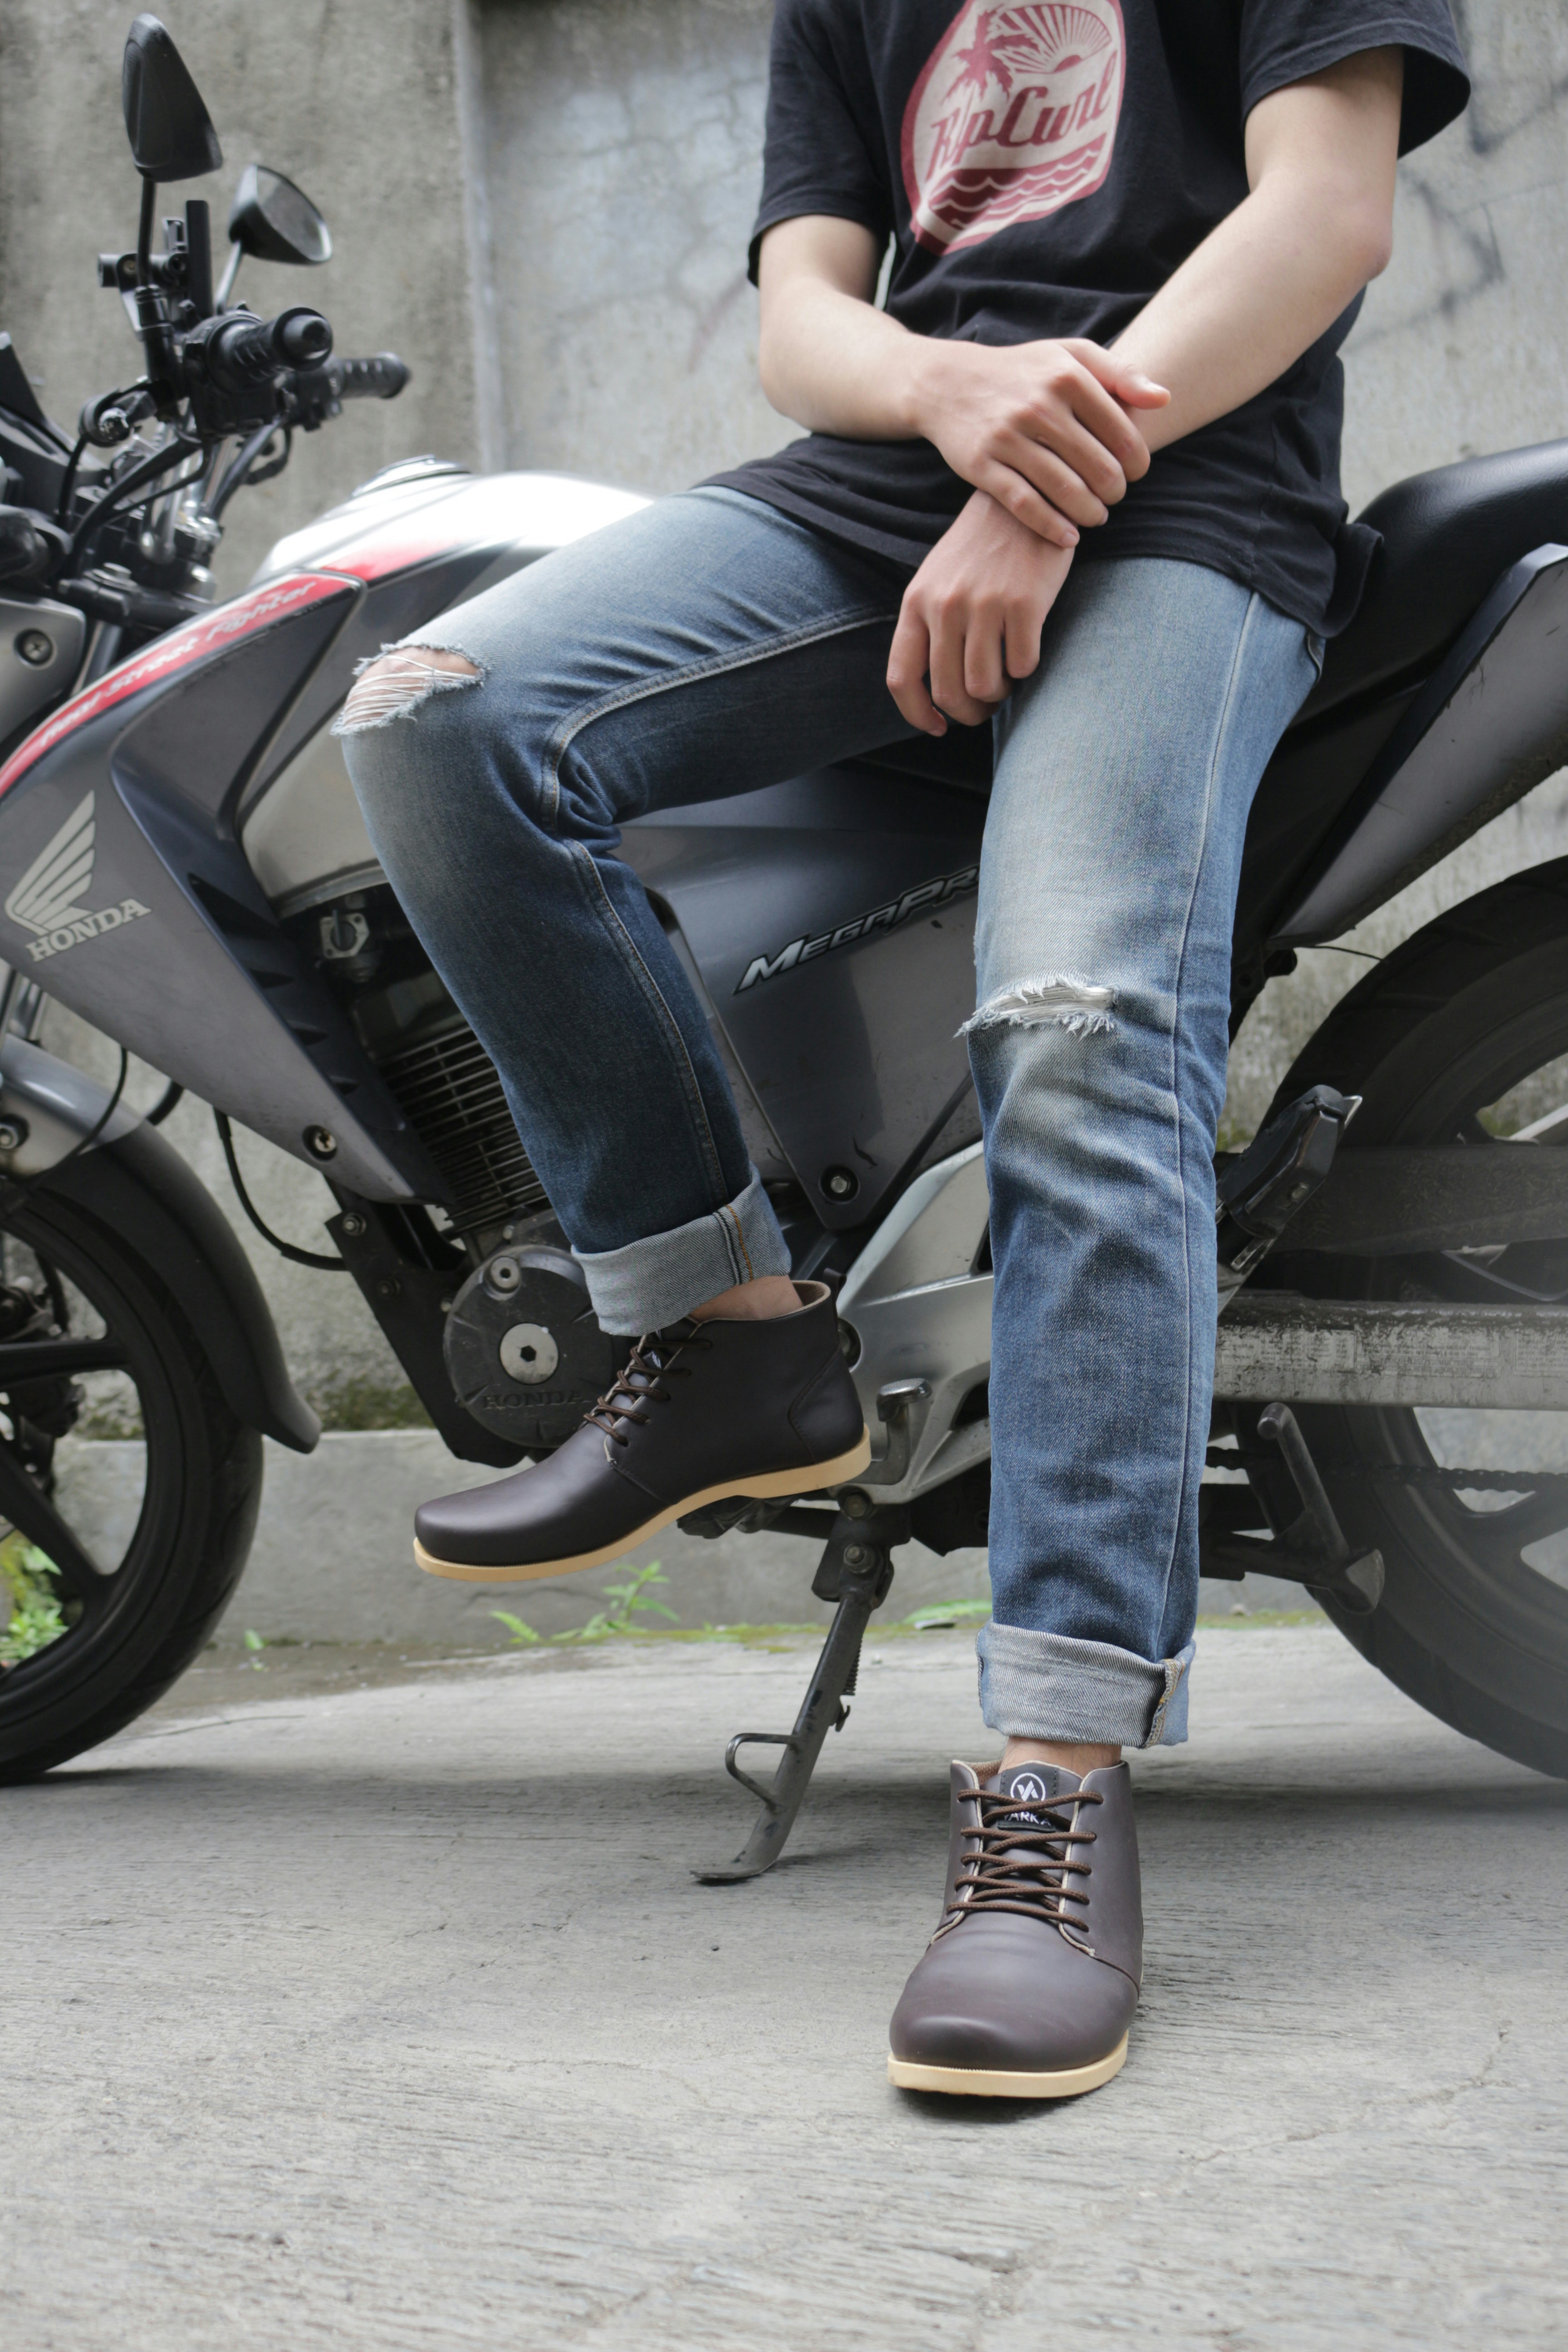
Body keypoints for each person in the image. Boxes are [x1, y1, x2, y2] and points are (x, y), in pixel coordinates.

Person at [338, 0, 1469, 2099]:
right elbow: (803, 310)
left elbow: (1322, 218)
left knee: (1081, 1022)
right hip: (875, 488)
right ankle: (740, 1334)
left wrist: (1056, 471)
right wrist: (954, 400)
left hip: (1195, 502)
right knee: (439, 720)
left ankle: (1052, 1786)